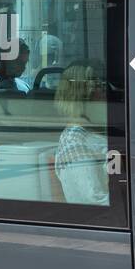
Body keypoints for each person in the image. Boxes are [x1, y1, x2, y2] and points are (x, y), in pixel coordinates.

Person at [53, 60, 110, 205]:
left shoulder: (96, 131)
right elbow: (93, 200)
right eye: (99, 86)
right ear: (82, 96)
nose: (106, 92)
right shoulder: (74, 142)